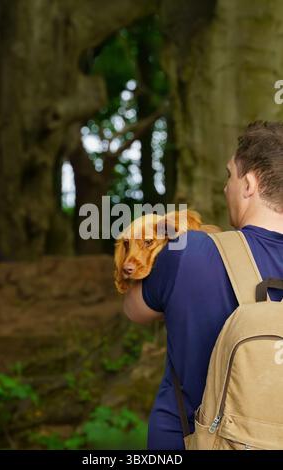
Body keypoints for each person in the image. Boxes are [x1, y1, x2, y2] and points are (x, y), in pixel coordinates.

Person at [123, 121, 283, 450]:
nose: (227, 188)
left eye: (230, 175)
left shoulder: (188, 252)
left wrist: (144, 251)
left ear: (250, 184)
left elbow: (133, 311)